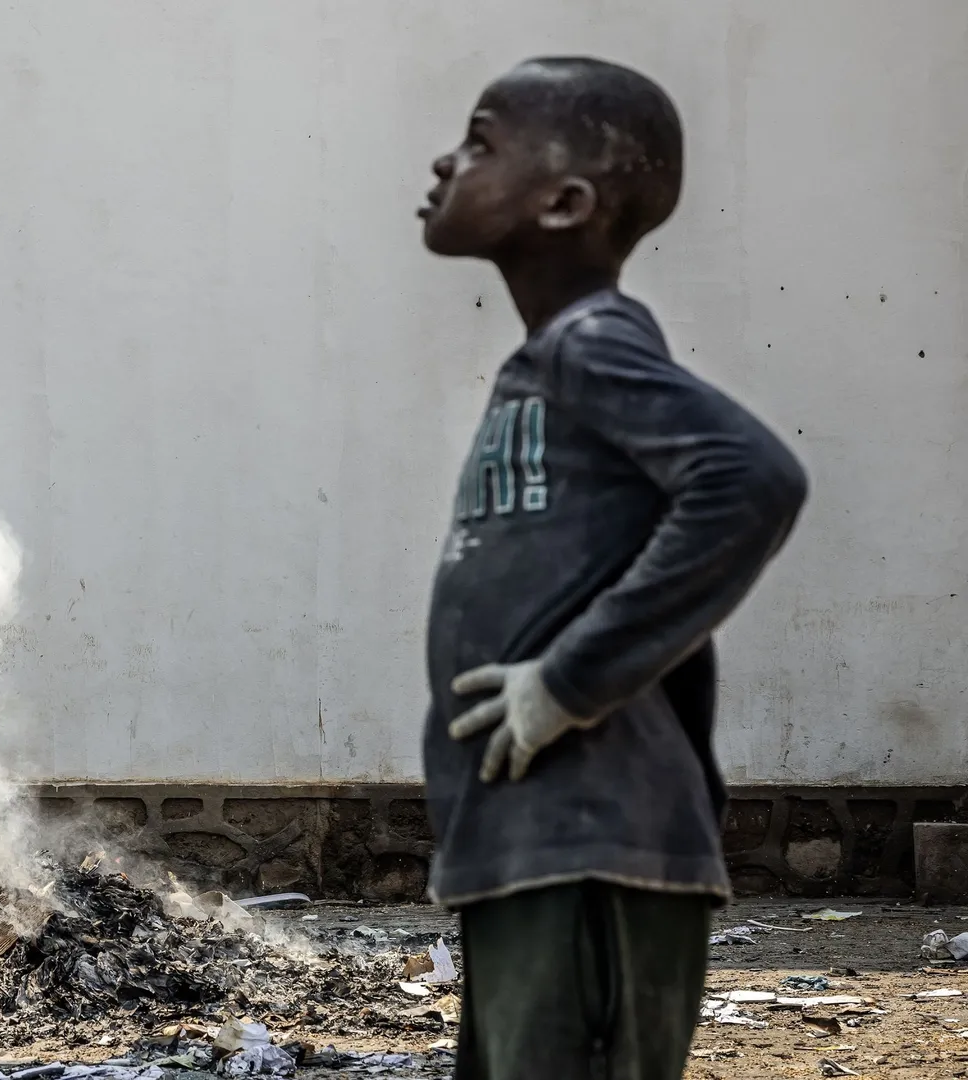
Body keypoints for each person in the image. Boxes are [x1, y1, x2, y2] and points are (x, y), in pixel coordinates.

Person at [416, 58, 808, 1078]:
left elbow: (752, 479)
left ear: (566, 201)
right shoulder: (549, 365)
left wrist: (569, 684)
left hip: (590, 850)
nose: (446, 159)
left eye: (481, 140)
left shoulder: (590, 344)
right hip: (530, 852)